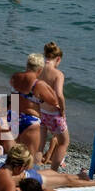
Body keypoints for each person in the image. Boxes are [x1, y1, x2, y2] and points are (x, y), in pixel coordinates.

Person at [10, 53, 57, 165]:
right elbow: (54, 100)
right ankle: (27, 179)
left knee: (13, 156)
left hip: (13, 117)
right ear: (40, 70)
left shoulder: (15, 77)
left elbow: (14, 97)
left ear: (27, 65)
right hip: (30, 120)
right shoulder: (38, 84)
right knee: (30, 158)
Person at [37, 42, 69, 170]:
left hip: (41, 110)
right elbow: (59, 95)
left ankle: (35, 169)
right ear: (58, 59)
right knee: (64, 142)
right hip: (53, 114)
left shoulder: (38, 69)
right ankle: (53, 171)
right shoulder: (58, 74)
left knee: (40, 144)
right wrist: (62, 110)